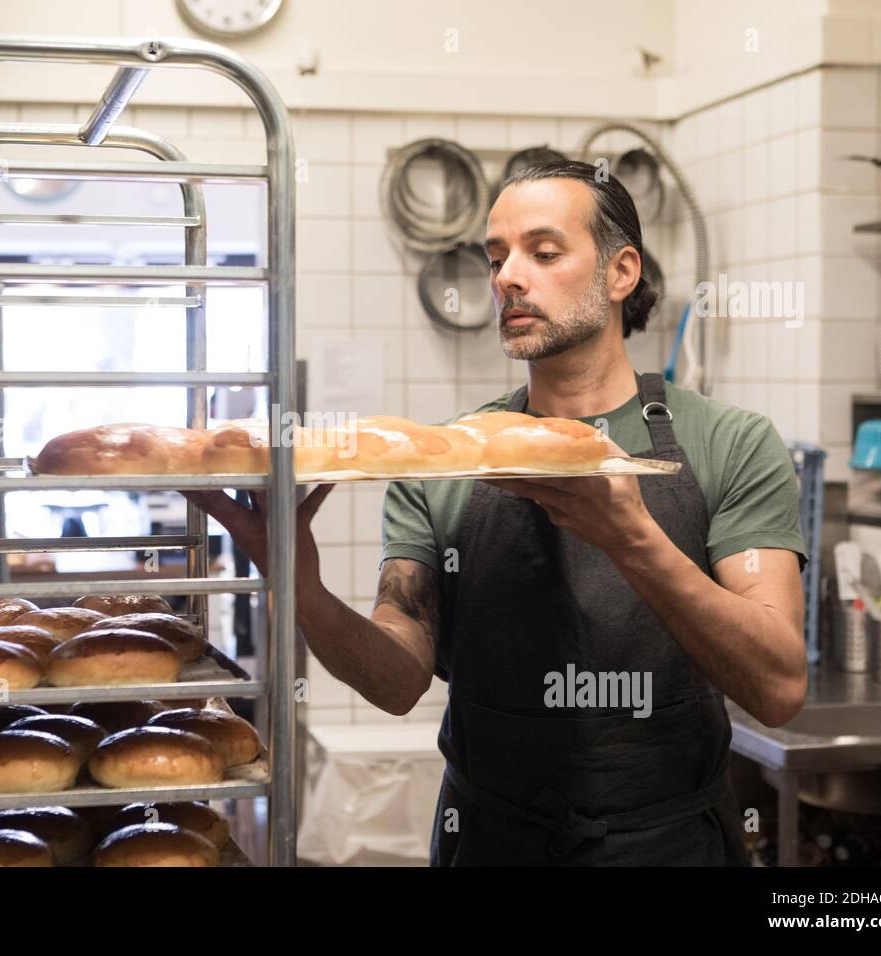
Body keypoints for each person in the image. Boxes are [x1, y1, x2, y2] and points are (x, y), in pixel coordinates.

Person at [184, 160, 807, 865]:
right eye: (497, 257)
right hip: (489, 841)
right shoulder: (445, 458)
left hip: (668, 844)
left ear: (620, 272)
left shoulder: (728, 442)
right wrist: (298, 585)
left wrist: (635, 542)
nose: (509, 276)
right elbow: (397, 680)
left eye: (543, 253)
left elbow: (778, 686)